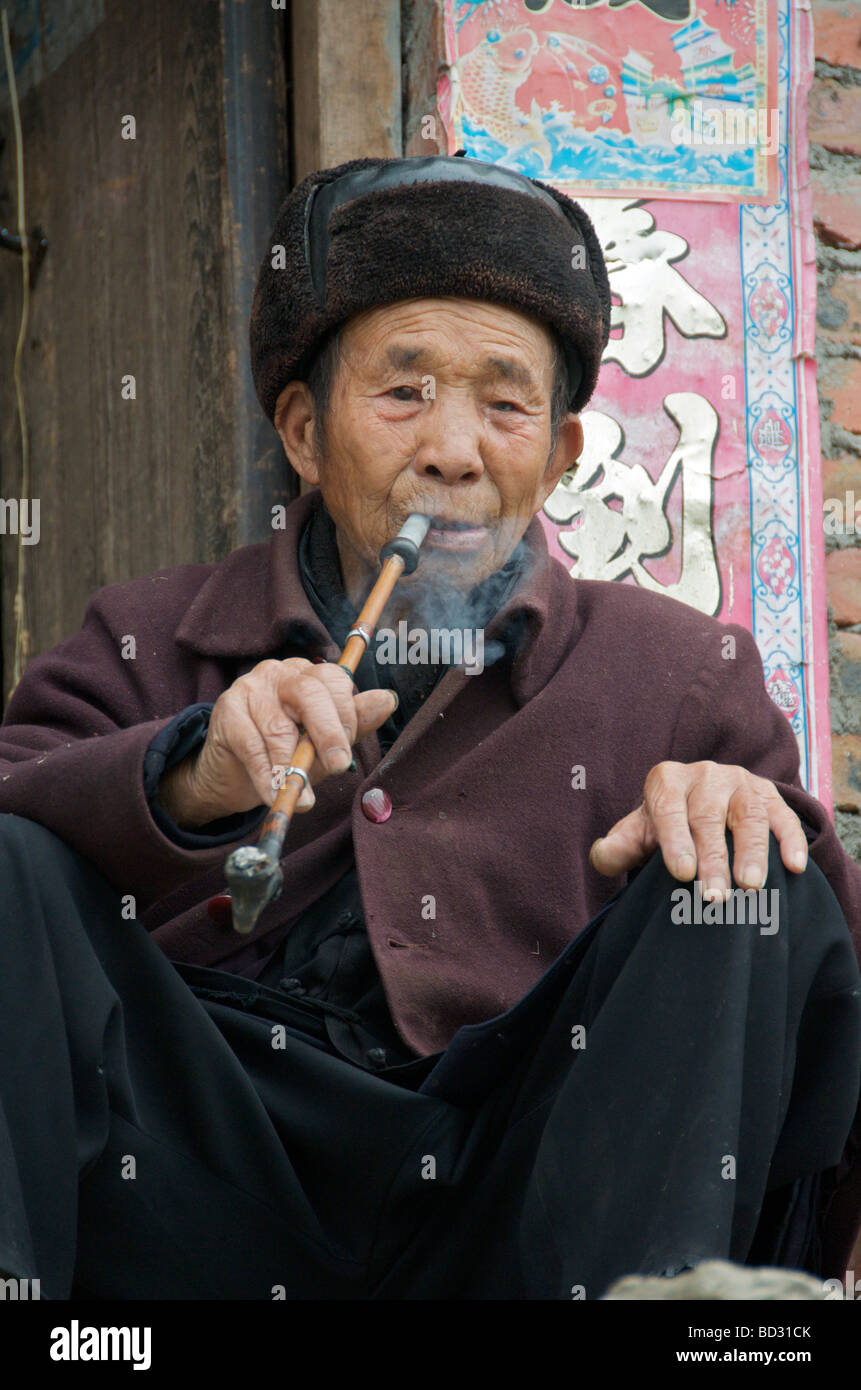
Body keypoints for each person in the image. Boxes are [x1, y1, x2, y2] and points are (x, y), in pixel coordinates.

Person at [0, 155, 859, 1301]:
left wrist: (748, 822)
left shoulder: (679, 675)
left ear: (556, 458)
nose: (455, 449)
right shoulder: (148, 638)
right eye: (403, 392)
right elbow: (22, 829)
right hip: (207, 1184)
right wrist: (187, 774)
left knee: (750, 873)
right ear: (305, 433)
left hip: (524, 1200)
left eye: (506, 404)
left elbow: (819, 991)